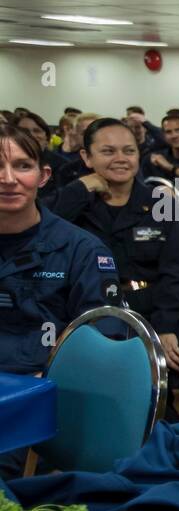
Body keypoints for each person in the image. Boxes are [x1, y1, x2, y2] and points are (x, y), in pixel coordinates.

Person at [51, 117, 179, 421]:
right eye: (108, 151)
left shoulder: (162, 203)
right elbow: (46, 234)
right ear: (86, 157)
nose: (120, 159)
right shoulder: (75, 205)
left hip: (165, 302)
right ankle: (151, 429)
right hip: (101, 306)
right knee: (125, 361)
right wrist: (78, 189)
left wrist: (166, 326)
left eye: (128, 151)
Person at [0, 125, 119, 478]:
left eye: (22, 166)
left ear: (43, 176)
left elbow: (103, 339)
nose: (8, 179)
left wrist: (47, 379)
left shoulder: (82, 251)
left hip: (38, 400)